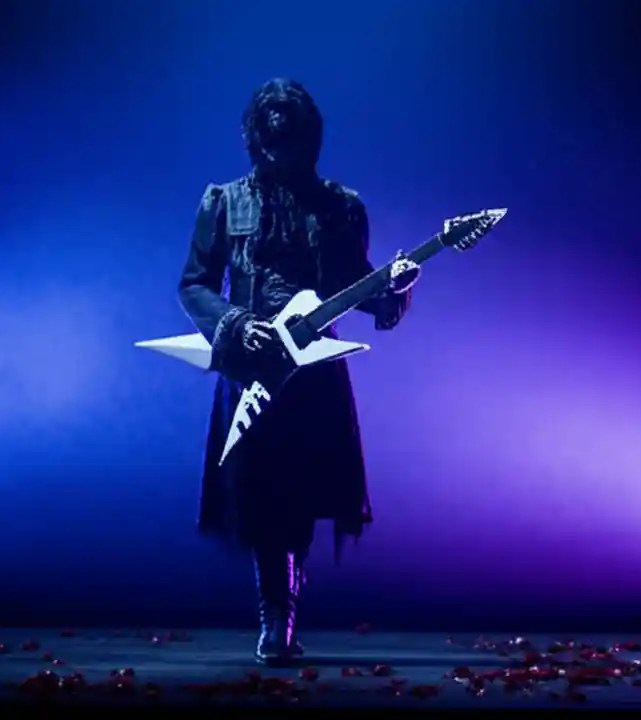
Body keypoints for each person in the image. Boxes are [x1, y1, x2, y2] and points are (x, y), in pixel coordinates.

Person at [177, 78, 420, 666]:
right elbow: (194, 284)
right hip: (250, 365)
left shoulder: (341, 206)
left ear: (309, 137)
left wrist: (396, 292)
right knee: (260, 489)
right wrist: (235, 323)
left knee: (302, 488)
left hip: (314, 366)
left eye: (292, 132)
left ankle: (283, 611)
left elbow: (353, 285)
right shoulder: (223, 201)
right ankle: (276, 614)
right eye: (270, 133)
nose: (279, 145)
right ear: (255, 137)